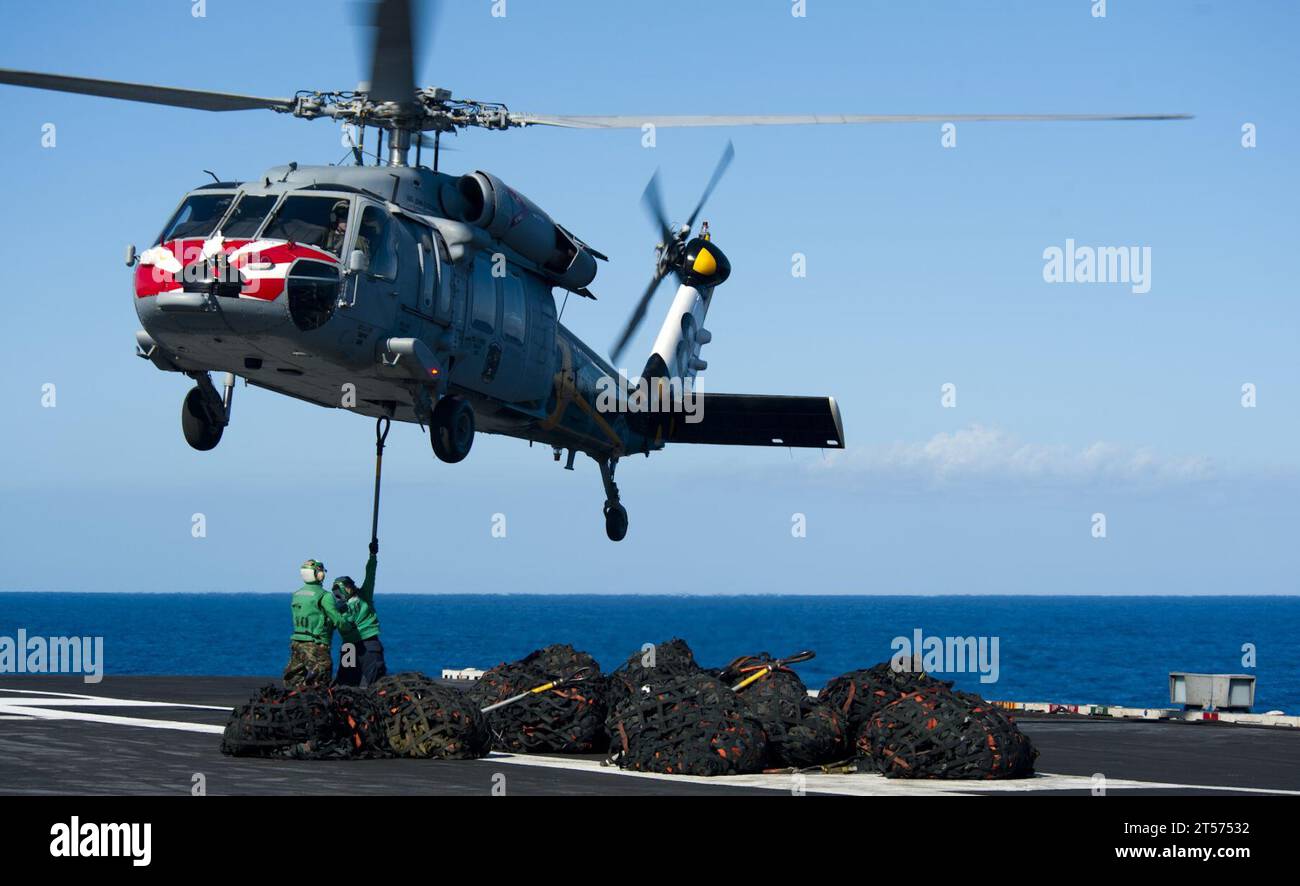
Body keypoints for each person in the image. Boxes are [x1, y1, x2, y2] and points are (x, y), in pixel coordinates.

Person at [283, 558, 350, 689]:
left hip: (297, 642)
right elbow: (337, 620)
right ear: (317, 574)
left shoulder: (297, 594)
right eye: (321, 571)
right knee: (321, 678)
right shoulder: (324, 596)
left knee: (294, 680)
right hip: (316, 644)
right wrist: (348, 626)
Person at [331, 539, 387, 687]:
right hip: (364, 644)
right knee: (348, 684)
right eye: (349, 585)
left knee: (376, 681)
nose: (353, 587)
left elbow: (370, 574)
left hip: (358, 644)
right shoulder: (340, 606)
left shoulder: (363, 595)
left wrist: (372, 556)